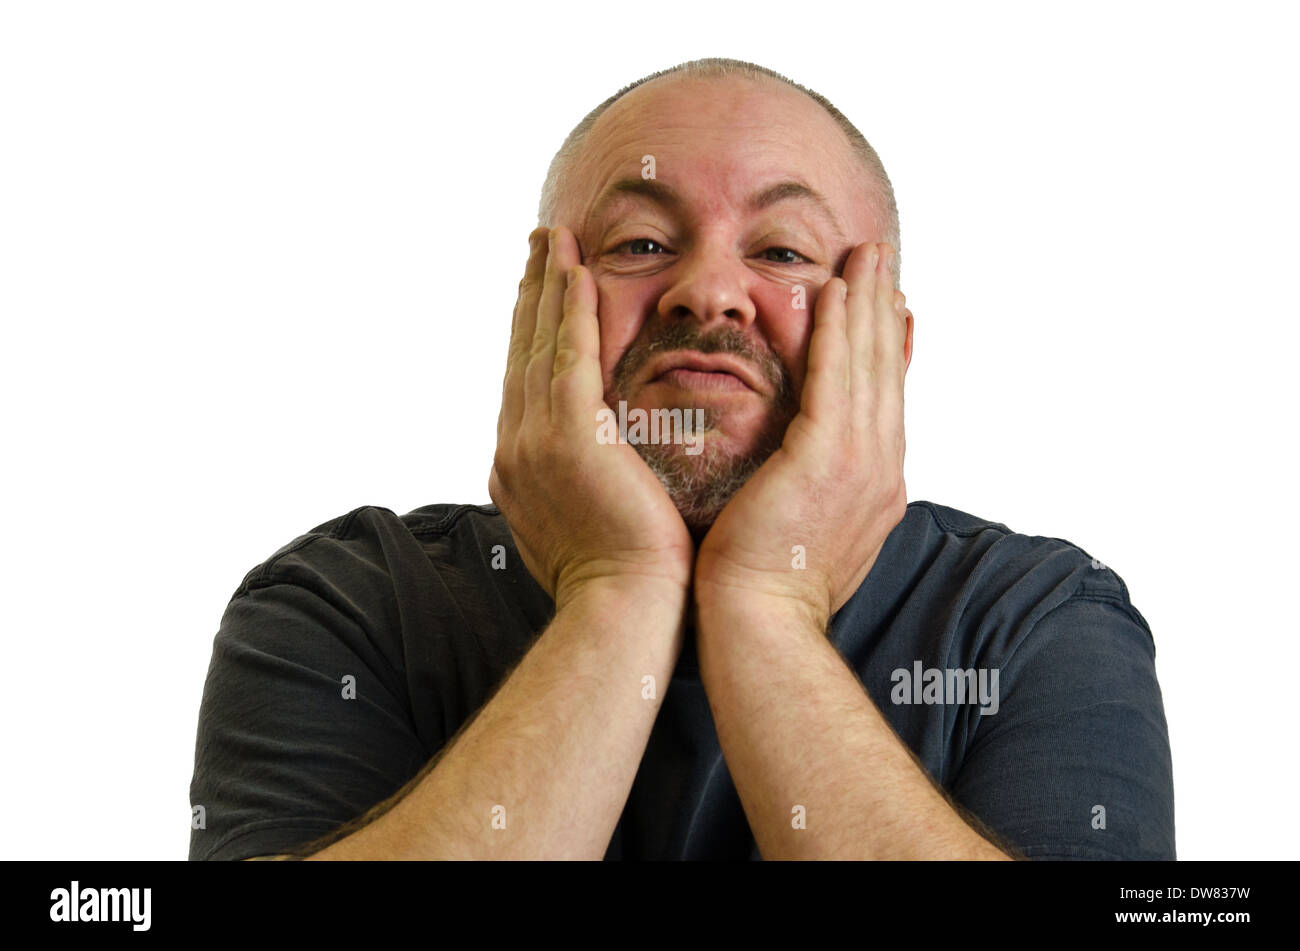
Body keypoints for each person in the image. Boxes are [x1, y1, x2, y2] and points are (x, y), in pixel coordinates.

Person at [188, 57, 1174, 861]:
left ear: (885, 346)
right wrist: (618, 587)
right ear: (539, 318)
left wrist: (763, 606)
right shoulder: (348, 607)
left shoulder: (1034, 623)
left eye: (783, 254)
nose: (706, 292)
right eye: (640, 243)